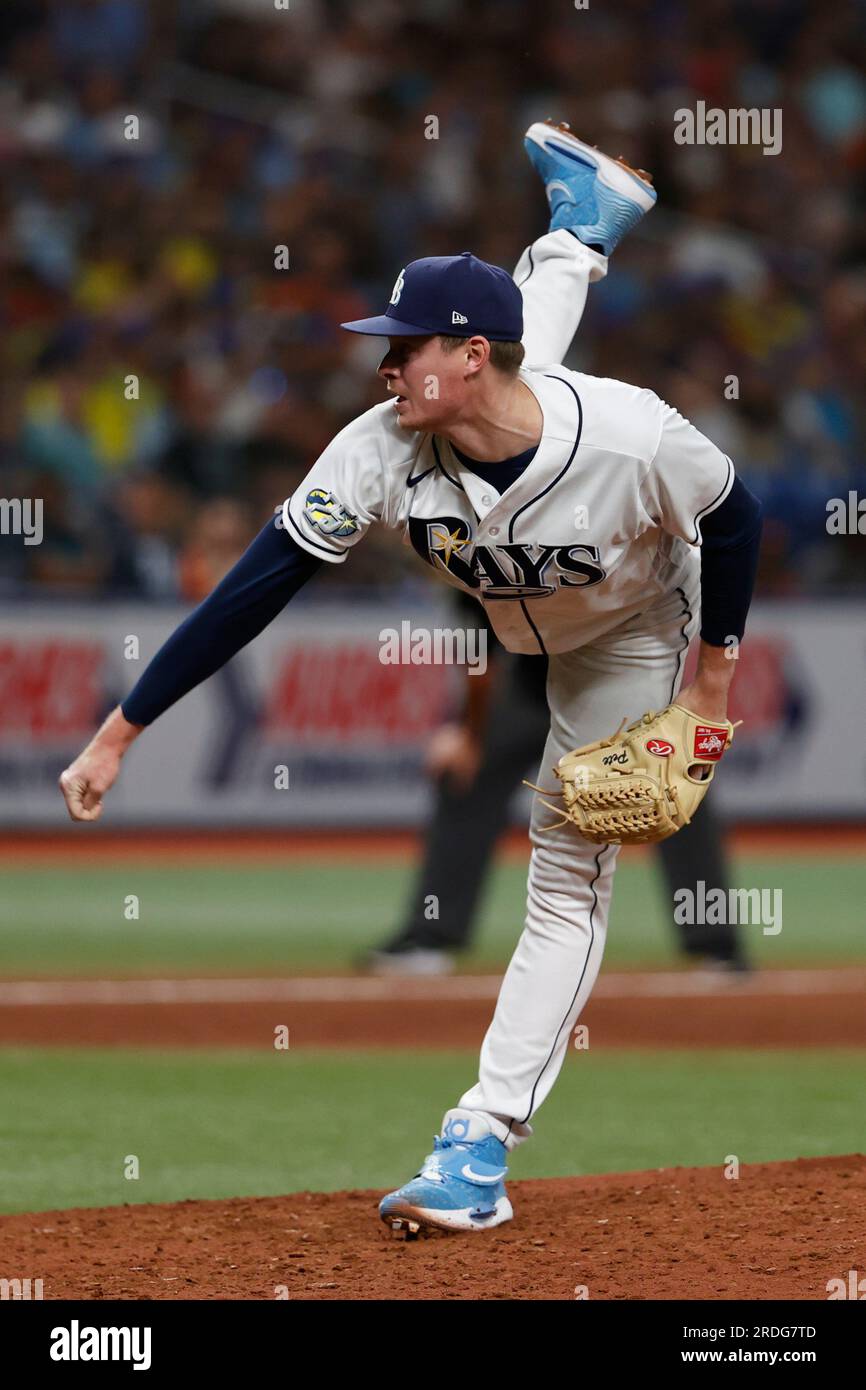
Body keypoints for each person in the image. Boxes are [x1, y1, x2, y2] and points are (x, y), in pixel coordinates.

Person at [59, 122, 763, 1236]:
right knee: (528, 342)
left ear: (465, 353)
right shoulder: (379, 444)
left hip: (629, 628)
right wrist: (119, 728)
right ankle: (582, 229)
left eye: (406, 346)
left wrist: (710, 685)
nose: (385, 365)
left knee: (567, 873)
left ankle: (477, 1144)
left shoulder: (632, 436)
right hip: (521, 621)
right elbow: (255, 587)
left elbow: (733, 516)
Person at [363, 589, 750, 977]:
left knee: (680, 791)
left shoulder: (605, 535)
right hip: (533, 688)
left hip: (621, 682)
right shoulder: (475, 547)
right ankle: (431, 936)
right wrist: (469, 735)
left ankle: (716, 945)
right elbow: (478, 653)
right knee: (466, 778)